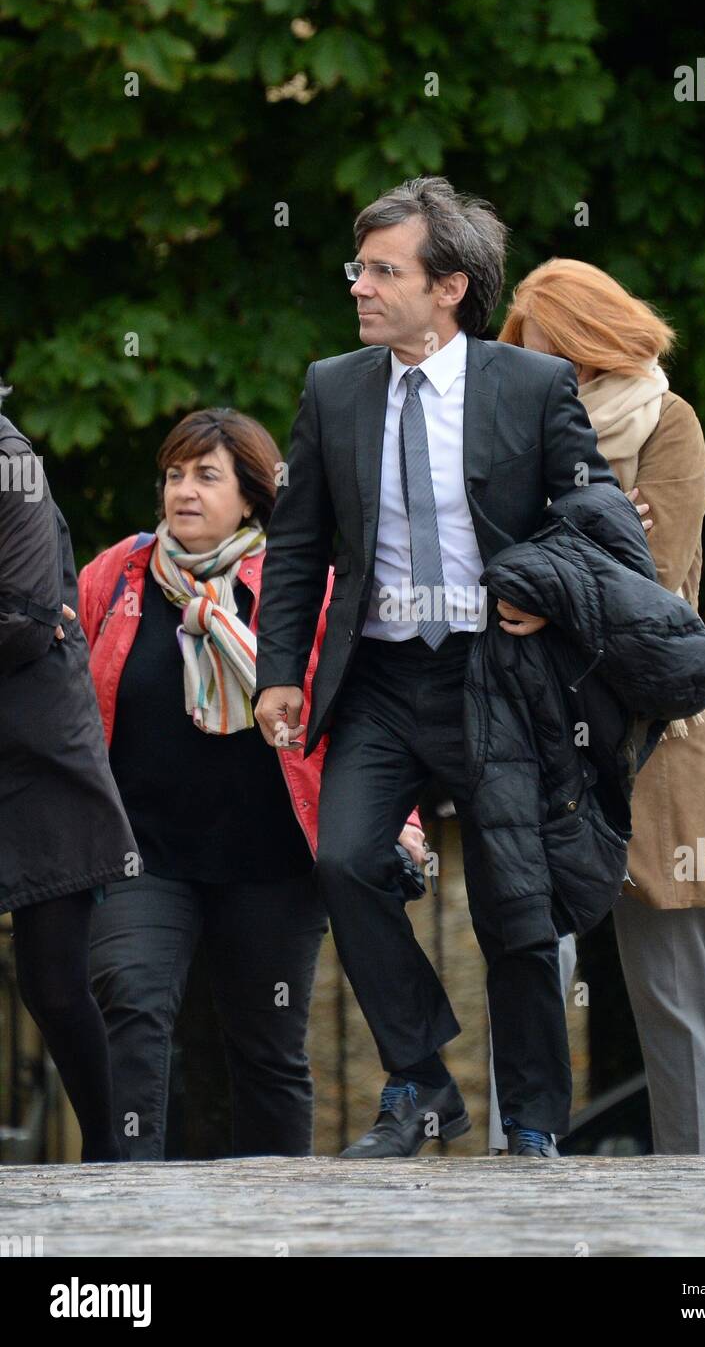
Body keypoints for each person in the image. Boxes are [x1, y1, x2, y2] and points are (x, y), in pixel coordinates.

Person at [255, 177, 620, 1159]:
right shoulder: (332, 388)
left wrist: (541, 586)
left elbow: (597, 521)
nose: (360, 288)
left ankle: (536, 1123)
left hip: (490, 674)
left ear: (448, 287)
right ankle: (419, 1080)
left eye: (383, 271)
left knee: (515, 901)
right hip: (374, 676)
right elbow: (295, 547)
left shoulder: (530, 388)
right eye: (357, 268)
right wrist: (276, 669)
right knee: (343, 859)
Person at [79, 408, 423, 1159]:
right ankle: (120, 1199)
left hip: (271, 860)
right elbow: (69, 698)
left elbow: (370, 714)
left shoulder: (304, 588)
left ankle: (278, 1223)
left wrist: (404, 821)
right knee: (131, 1005)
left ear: (252, 495)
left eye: (207, 475)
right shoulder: (116, 577)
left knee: (266, 1050)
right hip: (144, 852)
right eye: (174, 474)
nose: (184, 491)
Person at [492, 258, 705, 1154]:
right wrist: (590, 548)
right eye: (527, 353)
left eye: (554, 351)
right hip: (541, 733)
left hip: (661, 745)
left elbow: (655, 594)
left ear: (597, 343)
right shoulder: (510, 431)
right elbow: (492, 572)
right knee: (531, 959)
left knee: (674, 988)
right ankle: (518, 1167)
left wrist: (548, 571)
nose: (538, 370)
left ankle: (690, 1180)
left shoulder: (669, 423)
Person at [0, 397, 138, 1163]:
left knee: (52, 982)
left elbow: (22, 617)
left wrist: (26, 619)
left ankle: (110, 1154)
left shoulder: (11, 462)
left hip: (35, 748)